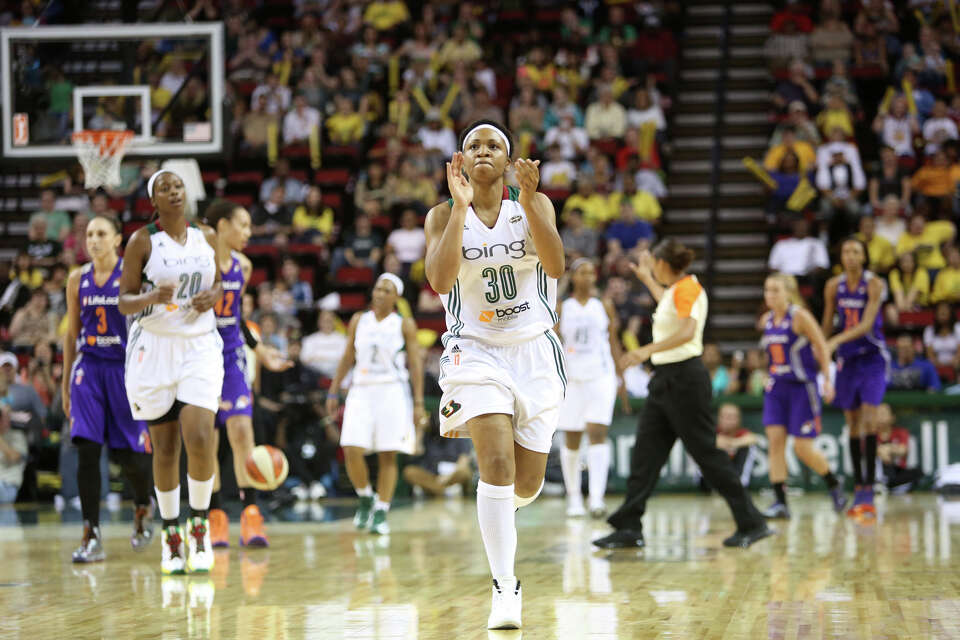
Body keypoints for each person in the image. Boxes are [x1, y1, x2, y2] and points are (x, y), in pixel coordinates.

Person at [424, 120, 565, 630]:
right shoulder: (441, 214)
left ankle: (505, 512)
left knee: (525, 483)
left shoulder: (535, 204)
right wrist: (460, 208)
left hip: (533, 352)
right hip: (474, 350)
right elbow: (439, 280)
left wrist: (528, 202)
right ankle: (506, 587)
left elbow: (555, 265)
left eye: (495, 145)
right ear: (459, 160)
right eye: (473, 145)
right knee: (497, 465)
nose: (484, 151)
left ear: (509, 160)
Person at [593, 240, 772, 551]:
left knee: (707, 455)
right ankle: (628, 527)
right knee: (645, 455)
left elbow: (687, 331)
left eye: (655, 265)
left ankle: (752, 522)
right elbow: (667, 305)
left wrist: (645, 350)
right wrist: (647, 278)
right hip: (665, 381)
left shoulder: (689, 288)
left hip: (685, 379)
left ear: (665, 263)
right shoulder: (675, 291)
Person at [118, 170, 225, 575]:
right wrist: (148, 296)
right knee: (165, 449)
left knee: (199, 434)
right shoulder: (142, 241)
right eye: (165, 188)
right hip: (154, 347)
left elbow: (220, 286)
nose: (174, 192)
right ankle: (171, 533)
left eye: (178, 186)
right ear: (154, 201)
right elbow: (124, 302)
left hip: (198, 344)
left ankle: (198, 524)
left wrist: (211, 297)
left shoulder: (207, 236)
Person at [61, 216, 156, 563]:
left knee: (128, 457)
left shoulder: (130, 278)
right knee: (86, 450)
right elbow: (71, 333)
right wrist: (65, 384)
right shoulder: (77, 279)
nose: (94, 240)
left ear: (117, 239)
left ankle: (143, 506)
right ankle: (91, 532)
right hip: (88, 369)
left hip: (125, 371)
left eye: (101, 233)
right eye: (89, 234)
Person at [203, 200, 292, 549]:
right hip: (199, 357)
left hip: (231, 356)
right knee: (206, 439)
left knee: (242, 432)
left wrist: (260, 350)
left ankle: (250, 514)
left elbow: (237, 318)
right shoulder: (199, 261)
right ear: (221, 225)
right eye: (242, 224)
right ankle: (214, 517)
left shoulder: (243, 266)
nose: (248, 232)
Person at [326, 274, 425, 536]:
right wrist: (333, 391)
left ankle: (381, 510)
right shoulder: (359, 320)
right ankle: (365, 495)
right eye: (378, 288)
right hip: (361, 388)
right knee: (350, 447)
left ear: (396, 297)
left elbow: (415, 365)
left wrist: (417, 402)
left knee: (388, 453)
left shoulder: (404, 324)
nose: (380, 293)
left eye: (387, 289)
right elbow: (348, 356)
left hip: (392, 390)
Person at [759, 273, 847, 519]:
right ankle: (780, 502)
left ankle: (833, 483)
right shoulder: (766, 320)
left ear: (788, 292)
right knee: (775, 442)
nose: (770, 295)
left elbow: (821, 346)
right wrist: (767, 374)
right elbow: (773, 354)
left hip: (802, 387)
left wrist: (828, 380)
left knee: (802, 448)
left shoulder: (800, 317)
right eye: (767, 290)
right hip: (776, 388)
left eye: (775, 290)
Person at [821, 237, 889, 520]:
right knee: (852, 423)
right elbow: (826, 321)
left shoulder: (874, 284)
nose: (850, 255)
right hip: (846, 361)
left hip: (871, 358)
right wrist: (821, 346)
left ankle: (868, 491)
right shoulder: (832, 286)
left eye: (856, 251)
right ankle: (858, 484)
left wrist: (834, 341)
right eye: (846, 250)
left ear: (864, 257)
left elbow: (866, 324)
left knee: (870, 419)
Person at [556, 259, 623, 518]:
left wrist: (621, 377)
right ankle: (573, 497)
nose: (588, 277)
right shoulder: (563, 307)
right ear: (573, 277)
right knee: (572, 437)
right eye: (582, 272)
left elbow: (613, 341)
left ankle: (596, 498)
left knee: (597, 432)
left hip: (600, 376)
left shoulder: (603, 305)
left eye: (591, 273)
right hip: (572, 378)